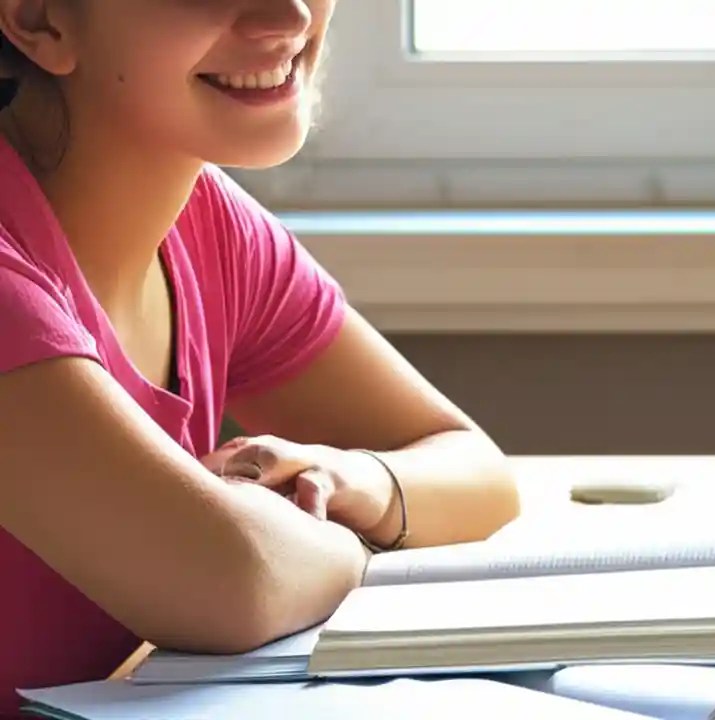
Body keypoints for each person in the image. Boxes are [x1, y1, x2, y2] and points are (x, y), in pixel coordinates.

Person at [0, 1, 522, 715]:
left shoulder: (210, 225)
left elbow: (479, 474)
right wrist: (334, 540)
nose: (291, 15)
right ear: (40, 19)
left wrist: (348, 480)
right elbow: (226, 580)